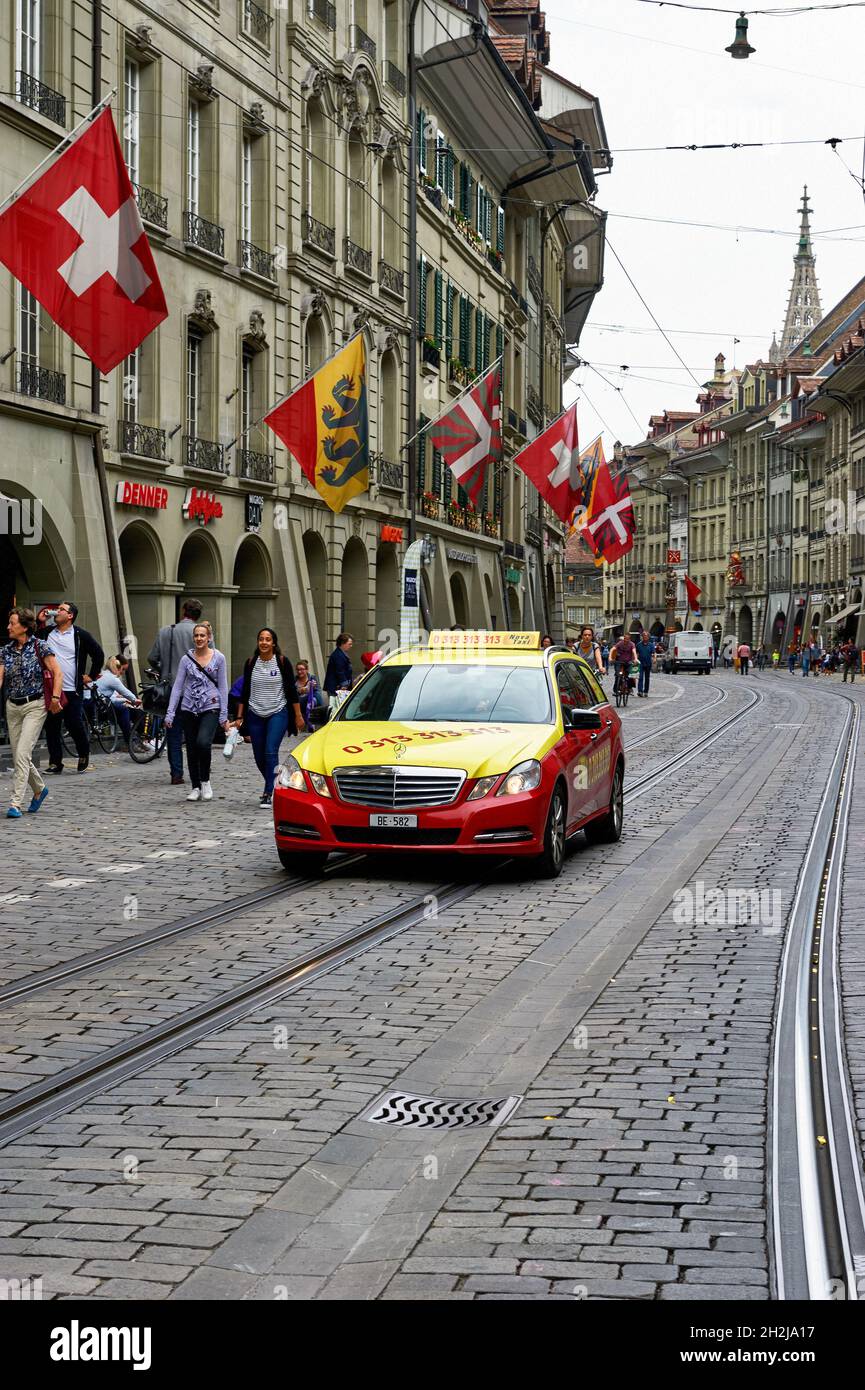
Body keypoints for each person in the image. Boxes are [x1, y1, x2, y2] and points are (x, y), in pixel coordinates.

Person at [0, 606, 61, 817]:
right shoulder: (5, 651)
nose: (8, 627)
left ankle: (15, 803)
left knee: (23, 753)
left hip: (35, 705)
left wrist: (54, 698)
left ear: (25, 627)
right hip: (12, 707)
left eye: (12, 623)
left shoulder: (40, 646)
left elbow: (57, 672)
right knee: (19, 755)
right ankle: (39, 789)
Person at [235, 629, 303, 808]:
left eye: (268, 639)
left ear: (273, 643)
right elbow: (245, 691)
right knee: (259, 756)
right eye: (261, 639)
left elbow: (291, 691)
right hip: (255, 713)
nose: (264, 642)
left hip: (277, 712)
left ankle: (268, 792)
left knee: (270, 750)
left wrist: (298, 715)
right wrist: (239, 716)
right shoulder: (251, 663)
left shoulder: (282, 662)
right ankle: (277, 783)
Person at [164, 623, 230, 802]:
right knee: (191, 748)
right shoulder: (186, 659)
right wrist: (170, 713)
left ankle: (206, 781)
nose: (199, 638)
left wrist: (224, 714)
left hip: (211, 705)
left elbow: (223, 686)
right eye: (197, 636)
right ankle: (195, 787)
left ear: (209, 637)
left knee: (203, 743)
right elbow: (178, 687)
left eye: (203, 635)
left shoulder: (219, 658)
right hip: (188, 707)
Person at [148, 598, 206, 785]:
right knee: (194, 733)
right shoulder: (201, 634)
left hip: (172, 688)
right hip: (196, 691)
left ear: (183, 612)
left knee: (173, 732)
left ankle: (176, 773)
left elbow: (152, 657)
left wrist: (164, 668)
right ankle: (196, 770)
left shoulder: (166, 631)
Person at [44, 600, 104, 774]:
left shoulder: (80, 635)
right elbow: (30, 635)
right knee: (52, 726)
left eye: (61, 610)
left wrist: (90, 676)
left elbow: (98, 654)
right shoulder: (48, 633)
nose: (57, 612)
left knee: (74, 724)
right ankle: (55, 762)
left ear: (70, 616)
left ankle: (83, 754)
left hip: (72, 689)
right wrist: (40, 619)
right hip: (53, 689)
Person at [93, 656, 140, 745]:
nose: (123, 673)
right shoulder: (113, 679)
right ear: (118, 668)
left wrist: (125, 700)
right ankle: (131, 742)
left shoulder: (102, 674)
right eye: (123, 669)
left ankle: (133, 740)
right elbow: (124, 694)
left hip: (93, 704)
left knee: (125, 709)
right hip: (99, 708)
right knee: (124, 710)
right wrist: (133, 700)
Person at [324, 632, 353, 707]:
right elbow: (340, 671)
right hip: (336, 687)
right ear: (343, 643)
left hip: (337, 686)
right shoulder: (338, 655)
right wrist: (344, 685)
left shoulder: (341, 653)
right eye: (349, 644)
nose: (351, 646)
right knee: (335, 707)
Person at [295, 660, 322, 732]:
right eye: (298, 670)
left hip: (312, 704)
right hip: (300, 705)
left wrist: (312, 688)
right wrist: (300, 690)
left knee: (315, 695)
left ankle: (310, 703)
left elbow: (318, 694)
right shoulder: (294, 680)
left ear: (307, 670)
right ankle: (310, 703)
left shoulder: (312, 678)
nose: (299, 671)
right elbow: (293, 696)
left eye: (302, 669)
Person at [610, 631, 637, 698]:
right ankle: (616, 690)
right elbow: (612, 649)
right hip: (619, 661)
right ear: (624, 638)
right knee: (617, 675)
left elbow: (634, 651)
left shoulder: (632, 644)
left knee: (629, 675)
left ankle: (629, 688)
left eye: (627, 639)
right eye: (625, 638)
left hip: (628, 662)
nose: (626, 640)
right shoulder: (620, 643)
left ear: (629, 639)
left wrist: (635, 659)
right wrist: (610, 657)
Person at [635, 629, 655, 698]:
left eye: (646, 636)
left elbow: (653, 653)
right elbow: (637, 653)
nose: (645, 637)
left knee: (647, 678)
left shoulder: (651, 645)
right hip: (640, 663)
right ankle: (640, 691)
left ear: (648, 637)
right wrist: (635, 659)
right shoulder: (639, 645)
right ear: (642, 637)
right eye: (643, 636)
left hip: (648, 663)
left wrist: (654, 659)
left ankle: (646, 691)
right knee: (640, 677)